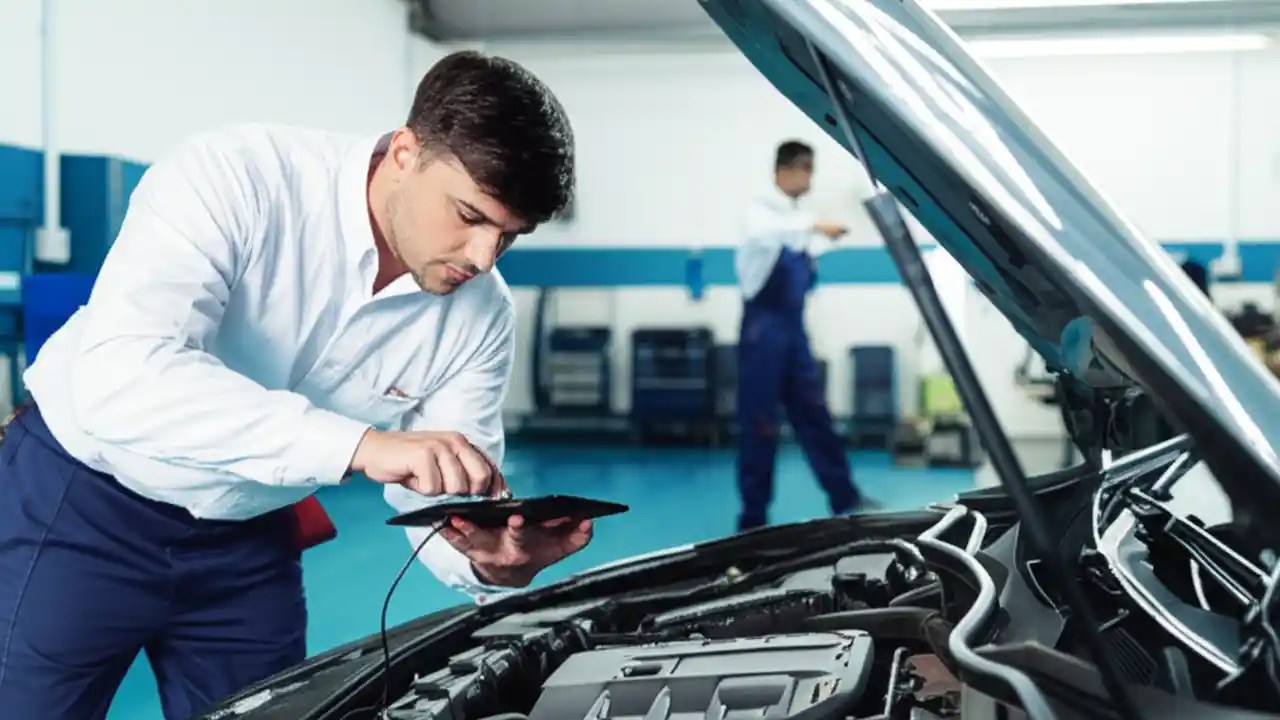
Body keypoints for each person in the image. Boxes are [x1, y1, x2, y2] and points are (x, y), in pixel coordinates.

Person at [0, 51, 592, 720]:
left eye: (508, 236)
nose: (483, 258)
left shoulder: (481, 314)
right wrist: (360, 445)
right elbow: (122, 375)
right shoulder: (235, 178)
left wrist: (488, 556)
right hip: (80, 502)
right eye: (469, 215)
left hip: (248, 538)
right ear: (405, 152)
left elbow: (446, 490)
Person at [733, 140, 871, 531]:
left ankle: (845, 497)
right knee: (760, 424)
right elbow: (764, 234)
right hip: (763, 334)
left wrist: (824, 236)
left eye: (812, 170)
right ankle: (753, 517)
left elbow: (804, 246)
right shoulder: (760, 213)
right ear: (783, 170)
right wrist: (815, 226)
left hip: (793, 335)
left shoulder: (798, 217)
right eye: (804, 169)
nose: (809, 178)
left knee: (816, 416)